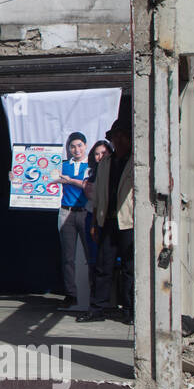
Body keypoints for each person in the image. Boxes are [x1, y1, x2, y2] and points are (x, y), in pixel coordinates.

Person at [78, 121, 134, 324]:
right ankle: (97, 308)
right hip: (106, 220)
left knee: (130, 267)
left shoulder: (136, 161)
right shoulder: (106, 163)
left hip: (128, 221)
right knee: (103, 265)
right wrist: (94, 221)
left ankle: (129, 309)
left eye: (123, 136)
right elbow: (99, 195)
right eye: (116, 136)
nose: (119, 140)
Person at [54, 132, 90, 308]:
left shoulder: (91, 166)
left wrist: (70, 181)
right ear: (68, 149)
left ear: (85, 146)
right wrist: (15, 177)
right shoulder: (62, 165)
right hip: (66, 211)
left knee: (90, 253)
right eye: (73, 146)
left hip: (84, 212)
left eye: (79, 145)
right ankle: (71, 293)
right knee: (68, 256)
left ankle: (92, 293)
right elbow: (44, 178)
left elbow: (89, 187)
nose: (76, 149)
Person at [83, 139, 112, 302]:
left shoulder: (115, 171)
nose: (100, 157)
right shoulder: (91, 175)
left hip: (109, 219)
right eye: (96, 154)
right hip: (93, 217)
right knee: (94, 260)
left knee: (108, 260)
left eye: (103, 153)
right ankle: (95, 299)